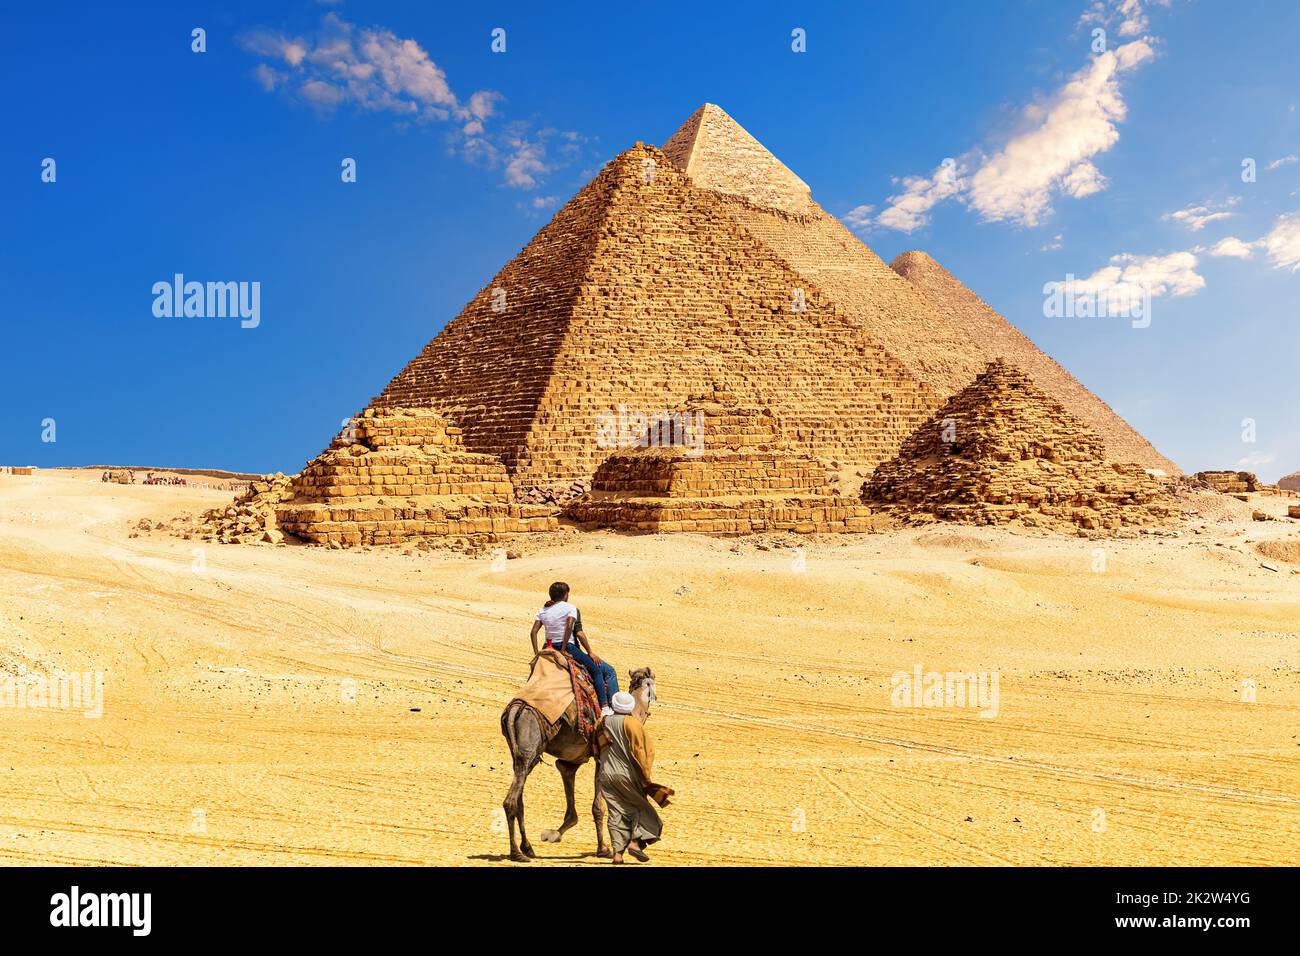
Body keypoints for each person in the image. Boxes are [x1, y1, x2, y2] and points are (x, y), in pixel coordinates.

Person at [530, 581, 616, 715]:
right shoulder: (570, 608)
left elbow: (533, 632)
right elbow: (571, 627)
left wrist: (537, 654)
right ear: (565, 595)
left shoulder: (543, 610)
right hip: (567, 646)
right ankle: (605, 707)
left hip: (547, 647)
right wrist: (564, 648)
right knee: (597, 672)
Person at [597, 691, 663, 863]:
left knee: (616, 813)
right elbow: (641, 752)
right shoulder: (633, 724)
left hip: (605, 775)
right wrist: (646, 777)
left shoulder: (602, 722)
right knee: (644, 811)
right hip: (627, 775)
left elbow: (596, 748)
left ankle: (617, 855)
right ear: (630, 706)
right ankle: (634, 842)